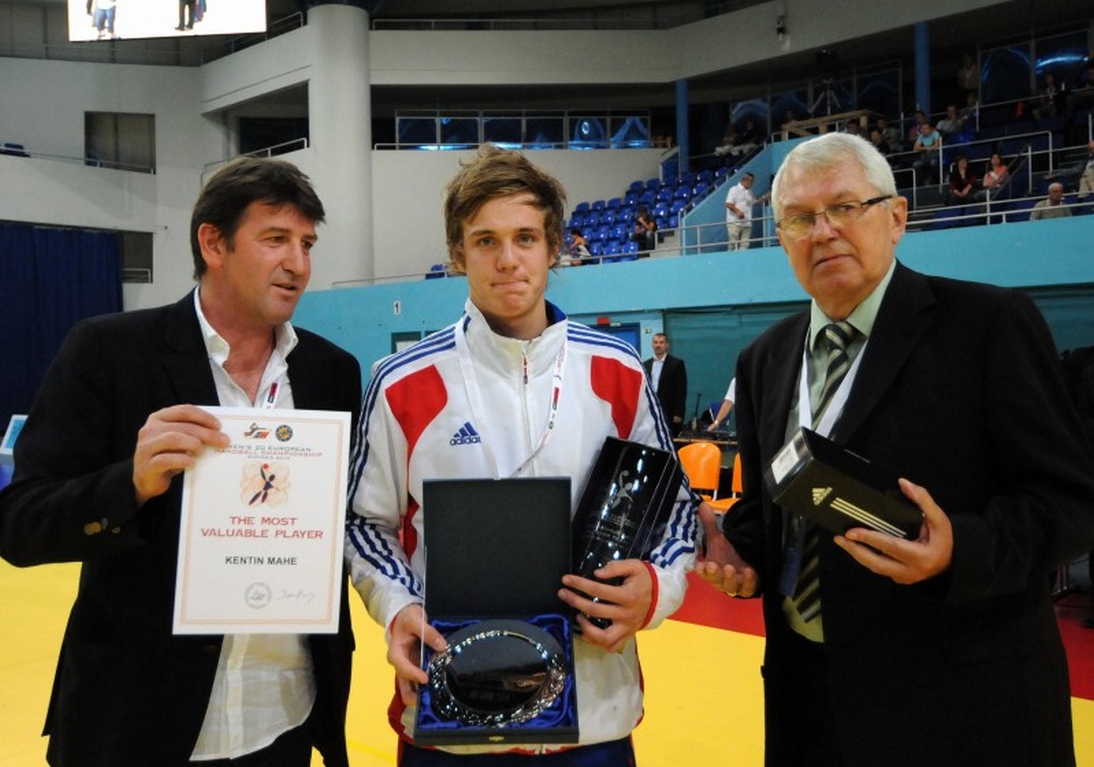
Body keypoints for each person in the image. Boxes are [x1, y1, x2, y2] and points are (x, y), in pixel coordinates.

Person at [696, 131, 1094, 767]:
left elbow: (1070, 503)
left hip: (960, 703)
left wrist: (958, 549)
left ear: (897, 217)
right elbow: (776, 509)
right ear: (781, 239)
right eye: (799, 218)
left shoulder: (989, 326)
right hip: (808, 700)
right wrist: (737, 549)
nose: (822, 231)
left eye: (846, 207)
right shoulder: (765, 358)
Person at [0, 157, 362, 767]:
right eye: (275, 240)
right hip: (136, 722)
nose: (297, 264)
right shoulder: (109, 350)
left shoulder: (331, 373)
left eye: (306, 244)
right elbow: (18, 523)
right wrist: (131, 484)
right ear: (213, 242)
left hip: (286, 718)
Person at [343, 145, 697, 765]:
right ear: (458, 254)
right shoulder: (402, 382)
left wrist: (656, 587)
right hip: (447, 707)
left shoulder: (616, 370)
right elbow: (363, 524)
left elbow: (675, 511)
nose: (508, 260)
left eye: (526, 237)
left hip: (593, 712)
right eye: (485, 241)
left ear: (554, 245)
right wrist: (399, 605)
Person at [643, 331, 688, 437]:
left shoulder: (677, 364)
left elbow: (681, 390)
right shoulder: (645, 365)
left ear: (667, 345)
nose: (658, 345)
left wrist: (679, 413)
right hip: (650, 410)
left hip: (669, 411)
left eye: (661, 342)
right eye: (655, 342)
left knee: (670, 438)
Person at [724, 171, 767, 250]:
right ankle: (731, 260)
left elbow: (754, 202)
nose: (752, 184)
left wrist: (764, 197)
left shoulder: (750, 192)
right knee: (733, 244)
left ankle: (741, 260)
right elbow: (728, 203)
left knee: (745, 245)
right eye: (751, 181)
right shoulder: (734, 190)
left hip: (747, 223)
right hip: (734, 222)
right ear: (746, 180)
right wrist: (737, 211)